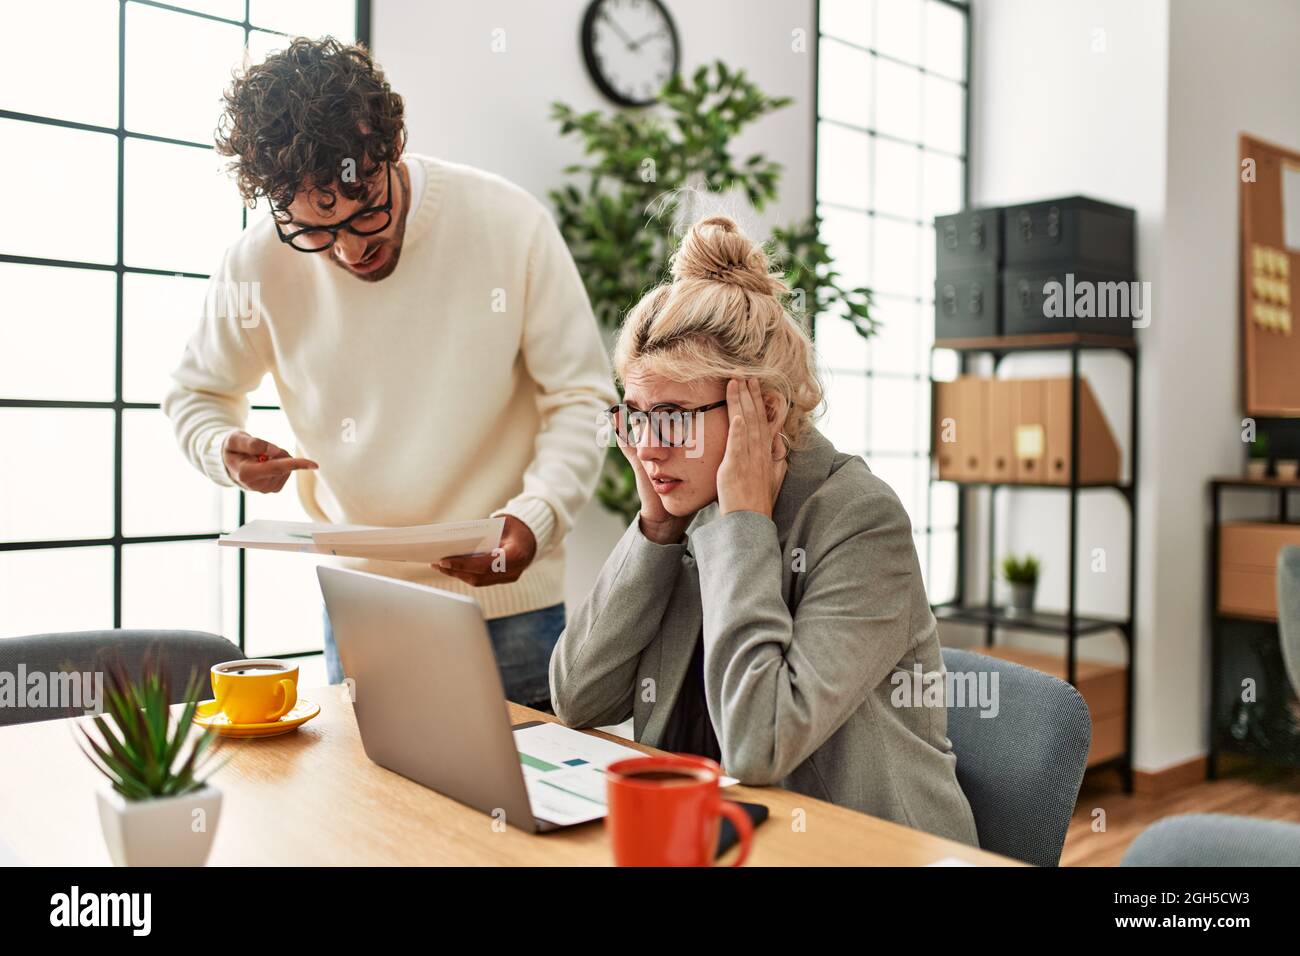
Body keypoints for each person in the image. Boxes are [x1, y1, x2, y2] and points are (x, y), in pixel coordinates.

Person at [163, 38, 616, 708]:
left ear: (390, 147)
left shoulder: (508, 222)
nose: (350, 250)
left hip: (514, 606)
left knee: (534, 808)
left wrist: (538, 516)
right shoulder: (255, 264)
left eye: (367, 210)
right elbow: (197, 396)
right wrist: (224, 453)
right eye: (317, 231)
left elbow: (582, 397)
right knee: (377, 809)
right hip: (363, 604)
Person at [549, 215, 979, 844]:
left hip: (866, 853)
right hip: (729, 838)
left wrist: (744, 525)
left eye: (671, 417)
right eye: (634, 418)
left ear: (765, 409)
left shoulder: (862, 522)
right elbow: (577, 698)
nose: (646, 449)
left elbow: (758, 743)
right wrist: (656, 531)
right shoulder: (688, 506)